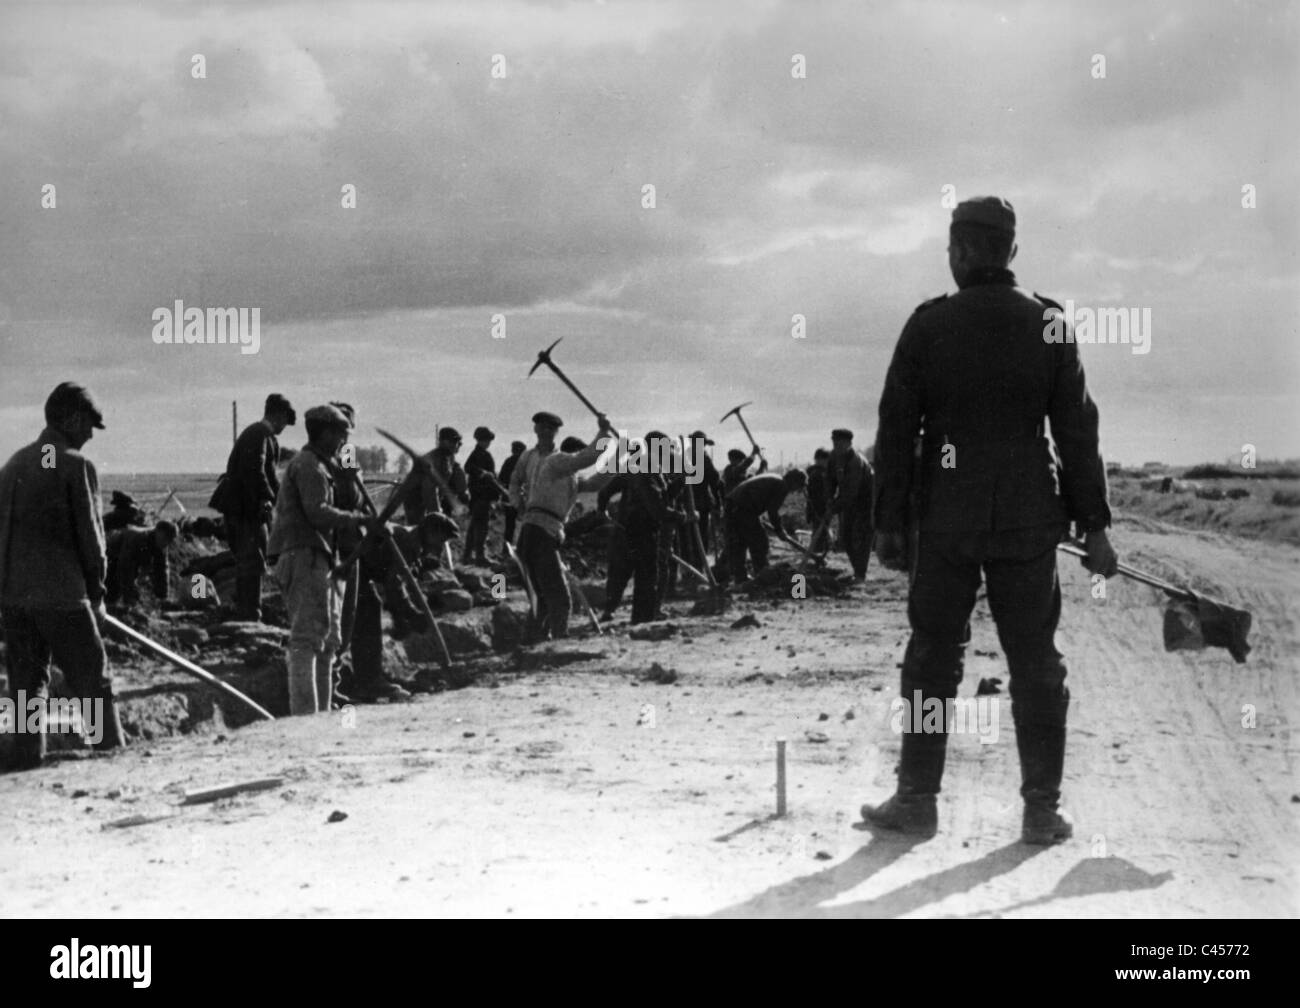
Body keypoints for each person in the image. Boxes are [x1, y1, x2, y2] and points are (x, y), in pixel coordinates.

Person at [864, 196, 1117, 845]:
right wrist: (1094, 526)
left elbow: (896, 430)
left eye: (953, 249)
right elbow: (1076, 431)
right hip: (1031, 516)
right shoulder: (1050, 324)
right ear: (1011, 253)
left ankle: (917, 800)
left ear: (960, 251)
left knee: (931, 657)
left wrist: (889, 523)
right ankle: (1041, 810)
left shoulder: (928, 326)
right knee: (1035, 659)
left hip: (946, 516)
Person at [0, 382, 126, 769]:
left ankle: (24, 764)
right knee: (92, 680)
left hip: (15, 601)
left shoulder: (13, 464)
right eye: (89, 424)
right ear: (72, 419)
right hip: (64, 599)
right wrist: (98, 596)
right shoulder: (74, 464)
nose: (90, 434)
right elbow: (92, 541)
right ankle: (112, 758)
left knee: (26, 688)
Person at [268, 405, 369, 715]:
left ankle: (321, 718)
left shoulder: (326, 465)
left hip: (322, 558)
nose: (343, 442)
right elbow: (317, 512)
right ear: (325, 433)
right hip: (304, 557)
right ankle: (304, 720)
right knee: (306, 640)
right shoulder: (309, 465)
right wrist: (357, 519)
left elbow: (342, 501)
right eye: (340, 434)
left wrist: (349, 482)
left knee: (327, 640)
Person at [515, 414, 614, 640]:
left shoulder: (568, 478)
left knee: (541, 596)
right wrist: (604, 433)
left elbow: (593, 484)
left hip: (539, 534)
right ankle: (558, 641)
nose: (578, 466)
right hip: (540, 533)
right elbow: (586, 458)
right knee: (559, 597)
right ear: (570, 455)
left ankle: (533, 641)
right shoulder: (557, 461)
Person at [211, 393, 296, 621]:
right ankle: (250, 615)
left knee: (252, 560)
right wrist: (272, 498)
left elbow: (267, 474)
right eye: (284, 423)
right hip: (245, 510)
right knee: (253, 561)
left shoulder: (261, 435)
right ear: (277, 416)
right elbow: (256, 473)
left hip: (247, 509)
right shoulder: (259, 434)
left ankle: (249, 612)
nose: (282, 429)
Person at [616, 435, 686, 624]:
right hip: (642, 527)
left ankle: (646, 615)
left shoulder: (654, 469)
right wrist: (679, 516)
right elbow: (657, 507)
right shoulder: (645, 468)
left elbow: (664, 495)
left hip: (648, 526)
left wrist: (680, 482)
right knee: (647, 574)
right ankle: (643, 619)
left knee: (649, 573)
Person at [716, 469, 807, 585]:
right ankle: (762, 574)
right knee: (759, 541)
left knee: (738, 543)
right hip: (742, 509)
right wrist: (779, 530)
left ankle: (736, 576)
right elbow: (772, 511)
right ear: (794, 481)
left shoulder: (776, 479)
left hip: (734, 507)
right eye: (798, 486)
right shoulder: (782, 485)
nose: (796, 491)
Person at [826, 429, 874, 581]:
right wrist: (828, 499)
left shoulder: (855, 461)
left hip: (866, 502)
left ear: (848, 444)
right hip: (849, 500)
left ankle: (860, 574)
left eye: (840, 444)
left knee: (861, 537)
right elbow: (830, 480)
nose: (836, 447)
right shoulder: (833, 456)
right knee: (846, 537)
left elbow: (851, 492)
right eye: (834, 443)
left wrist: (834, 508)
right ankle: (857, 570)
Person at [400, 427, 469, 527]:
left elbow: (454, 476)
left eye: (458, 442)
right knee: (418, 531)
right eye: (453, 442)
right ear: (443, 442)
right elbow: (429, 489)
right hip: (416, 501)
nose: (456, 445)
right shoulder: (433, 460)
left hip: (429, 499)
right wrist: (437, 513)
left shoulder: (449, 458)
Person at [507, 413, 562, 536]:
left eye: (551, 429)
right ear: (536, 430)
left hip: (552, 521)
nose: (546, 432)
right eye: (543, 428)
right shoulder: (527, 456)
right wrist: (518, 504)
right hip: (530, 517)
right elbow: (514, 482)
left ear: (556, 432)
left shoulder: (561, 459)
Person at [105, 520, 178, 607]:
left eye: (169, 541)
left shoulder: (161, 544)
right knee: (112, 588)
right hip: (111, 555)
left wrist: (162, 596)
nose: (166, 543)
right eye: (164, 539)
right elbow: (125, 568)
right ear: (158, 531)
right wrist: (129, 597)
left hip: (129, 559)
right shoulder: (137, 537)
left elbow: (162, 569)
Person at [462, 426, 501, 565]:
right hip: (481, 496)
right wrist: (483, 473)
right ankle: (480, 556)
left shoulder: (481, 453)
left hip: (481, 495)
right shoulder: (479, 454)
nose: (488, 442)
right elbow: (468, 467)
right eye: (487, 440)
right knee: (481, 527)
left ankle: (468, 555)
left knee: (474, 526)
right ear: (481, 440)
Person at [497, 440, 526, 544]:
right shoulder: (523, 463)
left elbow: (501, 479)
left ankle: (507, 547)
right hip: (519, 496)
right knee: (523, 523)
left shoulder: (508, 461)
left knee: (510, 524)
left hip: (507, 495)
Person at [805, 448, 831, 553]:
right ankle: (817, 552)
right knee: (820, 531)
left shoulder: (813, 472)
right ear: (820, 459)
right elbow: (818, 494)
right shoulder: (818, 474)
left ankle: (818, 551)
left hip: (816, 507)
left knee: (819, 531)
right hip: (820, 507)